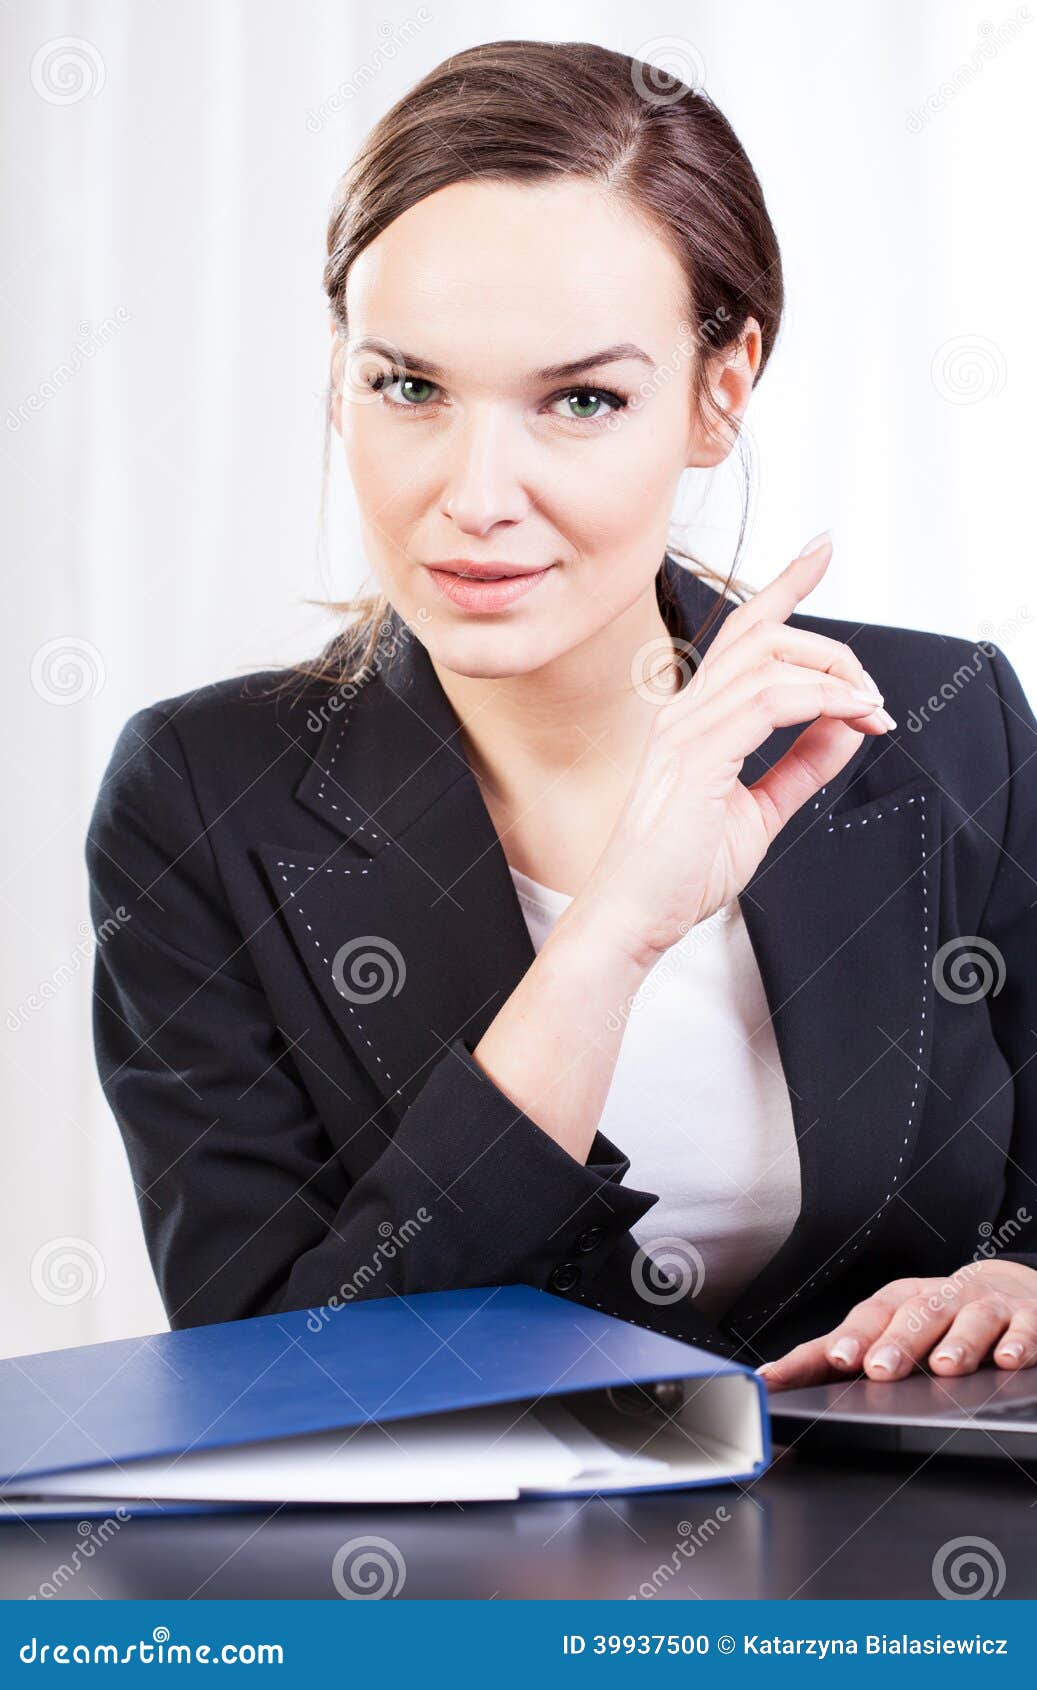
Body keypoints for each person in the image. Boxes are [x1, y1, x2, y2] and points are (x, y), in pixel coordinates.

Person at [86, 39, 1037, 1387]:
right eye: (406, 386)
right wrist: (605, 941)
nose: (475, 494)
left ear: (720, 391)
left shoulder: (946, 725)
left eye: (579, 399)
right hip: (458, 1595)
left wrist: (1022, 1285)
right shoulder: (201, 793)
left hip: (920, 1572)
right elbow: (277, 1377)